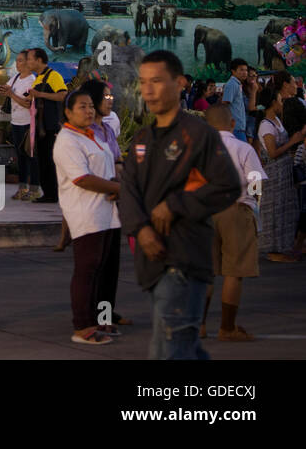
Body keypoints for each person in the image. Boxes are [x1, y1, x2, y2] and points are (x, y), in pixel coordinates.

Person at [118, 50, 241, 360]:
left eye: (157, 81)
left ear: (180, 83)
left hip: (185, 254)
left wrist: (177, 204)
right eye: (143, 82)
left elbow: (227, 185)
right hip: (152, 258)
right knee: (181, 347)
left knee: (169, 349)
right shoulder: (143, 138)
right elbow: (128, 190)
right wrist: (141, 228)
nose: (148, 90)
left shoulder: (198, 135)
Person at [54, 87, 122, 345]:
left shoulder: (93, 135)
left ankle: (101, 319)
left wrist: (116, 184)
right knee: (87, 269)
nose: (89, 110)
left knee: (103, 269)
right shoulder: (68, 141)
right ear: (68, 112)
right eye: (82, 106)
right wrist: (118, 188)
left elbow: (108, 167)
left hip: (107, 211)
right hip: (87, 212)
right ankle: (82, 326)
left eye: (90, 106)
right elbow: (82, 178)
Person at [200, 103, 265, 342]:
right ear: (233, 124)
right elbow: (256, 181)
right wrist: (254, 201)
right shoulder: (243, 148)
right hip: (236, 208)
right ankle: (227, 327)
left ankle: (200, 325)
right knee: (233, 271)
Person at [256, 78, 306, 263]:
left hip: (284, 172)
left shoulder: (276, 120)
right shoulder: (266, 125)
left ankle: (284, 247)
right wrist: (293, 141)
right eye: (279, 100)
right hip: (275, 174)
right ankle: (274, 251)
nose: (281, 103)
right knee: (275, 211)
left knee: (285, 209)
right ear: (272, 103)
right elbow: (272, 152)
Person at [0, 50, 41, 201]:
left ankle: (35, 188)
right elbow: (6, 89)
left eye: (21, 60)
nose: (17, 63)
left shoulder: (31, 80)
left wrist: (11, 94)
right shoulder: (16, 78)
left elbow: (27, 103)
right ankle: (22, 188)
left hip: (28, 123)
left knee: (31, 156)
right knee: (20, 157)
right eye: (16, 60)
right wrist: (2, 89)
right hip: (15, 121)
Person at [27, 48, 67, 204]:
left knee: (50, 161)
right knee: (42, 160)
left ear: (38, 60)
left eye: (30, 59)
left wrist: (40, 95)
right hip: (39, 126)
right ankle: (47, 193)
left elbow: (63, 94)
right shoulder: (38, 78)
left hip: (50, 126)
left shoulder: (53, 76)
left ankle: (54, 194)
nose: (28, 62)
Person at [222, 60, 251, 142]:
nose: (245, 72)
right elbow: (224, 104)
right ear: (233, 71)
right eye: (241, 70)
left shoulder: (237, 84)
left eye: (246, 70)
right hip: (235, 129)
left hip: (238, 128)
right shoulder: (232, 84)